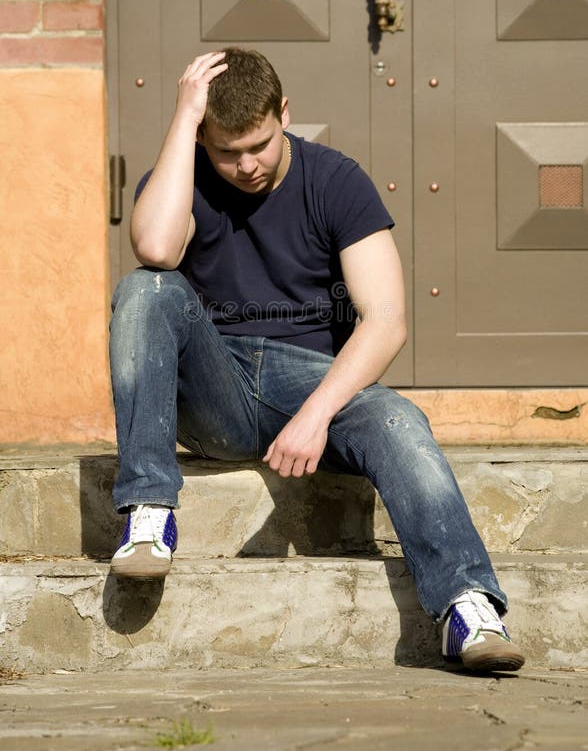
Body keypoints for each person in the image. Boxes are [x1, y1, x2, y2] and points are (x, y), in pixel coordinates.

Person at [109, 48, 525, 673]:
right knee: (146, 286)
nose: (246, 165)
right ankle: (149, 512)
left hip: (311, 382)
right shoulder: (184, 171)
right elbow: (157, 247)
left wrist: (316, 413)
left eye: (260, 144)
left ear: (284, 114)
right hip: (213, 384)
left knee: (398, 420)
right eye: (227, 152)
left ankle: (467, 608)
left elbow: (385, 321)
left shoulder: (336, 180)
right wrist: (184, 121)